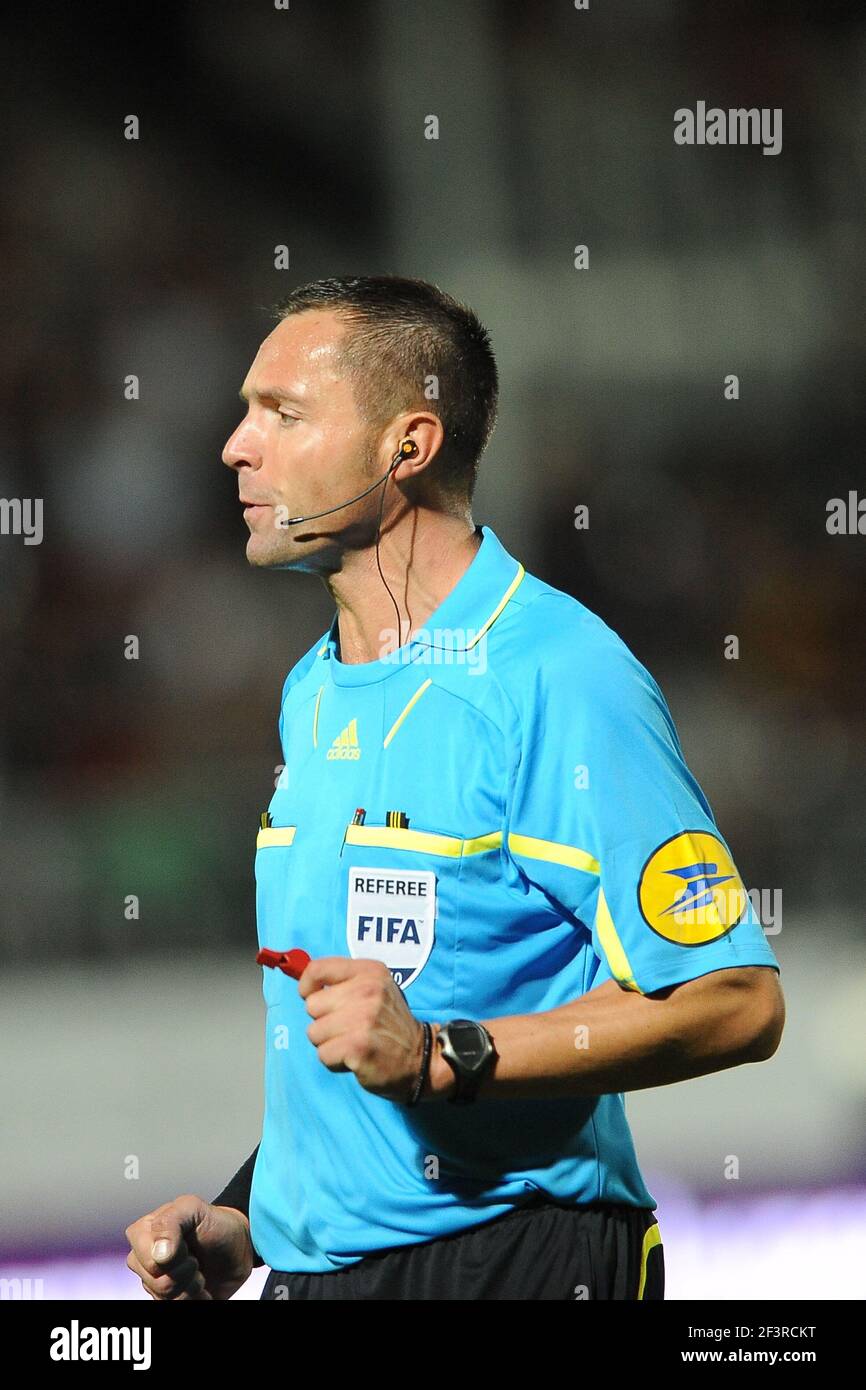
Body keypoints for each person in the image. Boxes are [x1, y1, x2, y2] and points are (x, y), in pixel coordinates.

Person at [125, 275, 784, 1301]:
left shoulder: (555, 675)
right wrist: (254, 1216)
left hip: (518, 1260)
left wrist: (447, 1053)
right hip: (325, 1275)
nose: (235, 446)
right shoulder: (314, 689)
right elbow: (378, 1031)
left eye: (281, 413)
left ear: (408, 444)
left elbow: (735, 999)